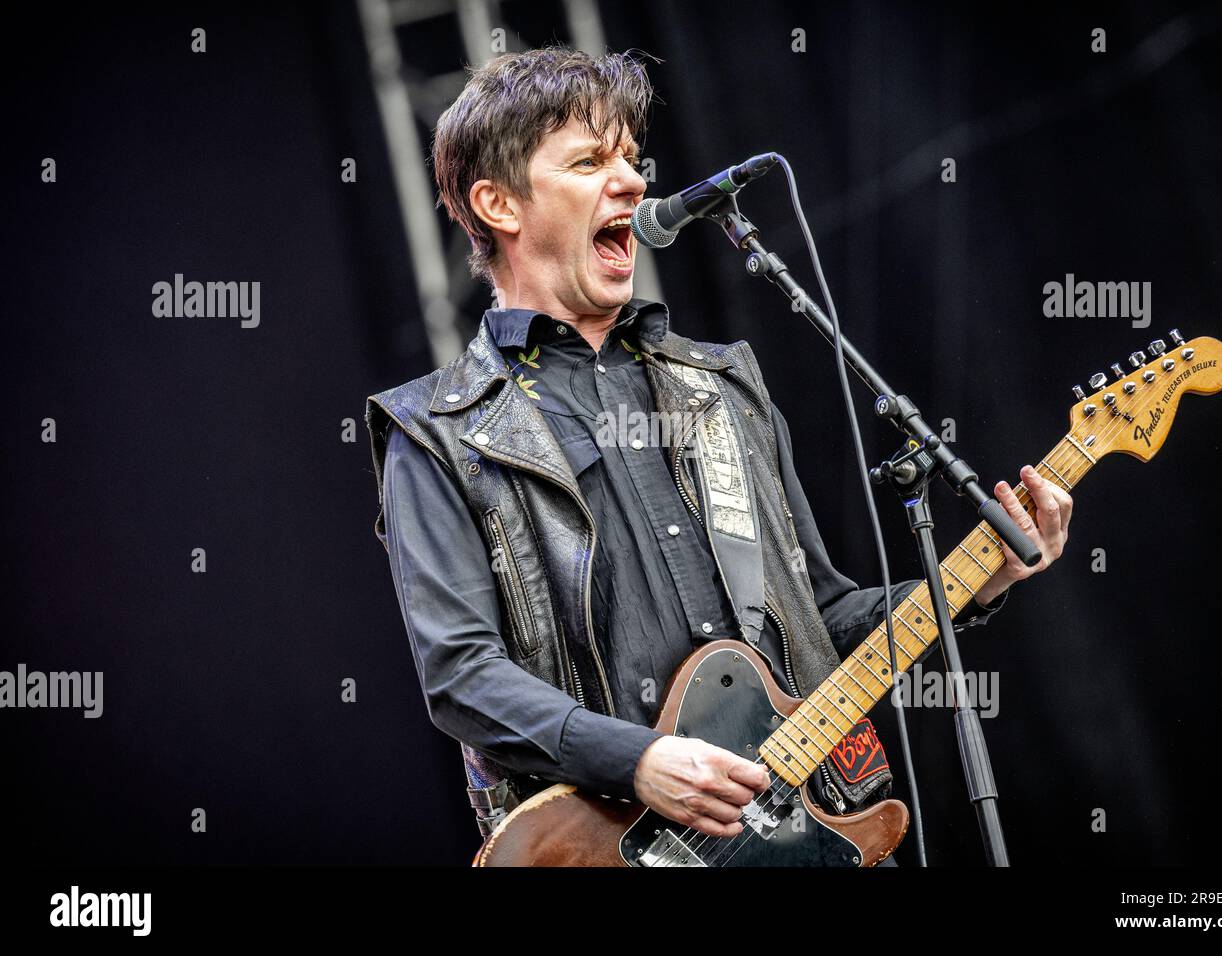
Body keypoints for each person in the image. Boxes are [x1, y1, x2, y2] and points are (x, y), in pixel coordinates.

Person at [364, 46, 1072, 859]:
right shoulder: (437, 431)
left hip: (795, 836)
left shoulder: (722, 387)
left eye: (631, 158)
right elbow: (461, 676)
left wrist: (981, 575)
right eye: (591, 161)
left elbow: (822, 619)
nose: (631, 182)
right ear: (498, 204)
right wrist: (640, 762)